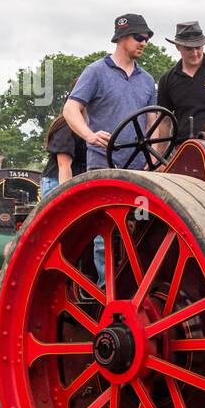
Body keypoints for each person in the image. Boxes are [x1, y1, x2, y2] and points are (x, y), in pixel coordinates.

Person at [62, 14, 161, 283]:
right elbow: (71, 109)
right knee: (104, 232)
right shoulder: (96, 71)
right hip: (104, 164)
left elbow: (153, 125)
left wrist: (157, 157)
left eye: (147, 38)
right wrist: (89, 135)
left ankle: (136, 288)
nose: (144, 43)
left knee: (141, 227)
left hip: (139, 168)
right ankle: (107, 292)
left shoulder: (147, 80)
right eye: (140, 37)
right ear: (122, 37)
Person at [40, 114, 87, 200]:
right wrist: (67, 198)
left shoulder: (88, 125)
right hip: (59, 182)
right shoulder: (67, 126)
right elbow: (63, 166)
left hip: (77, 183)